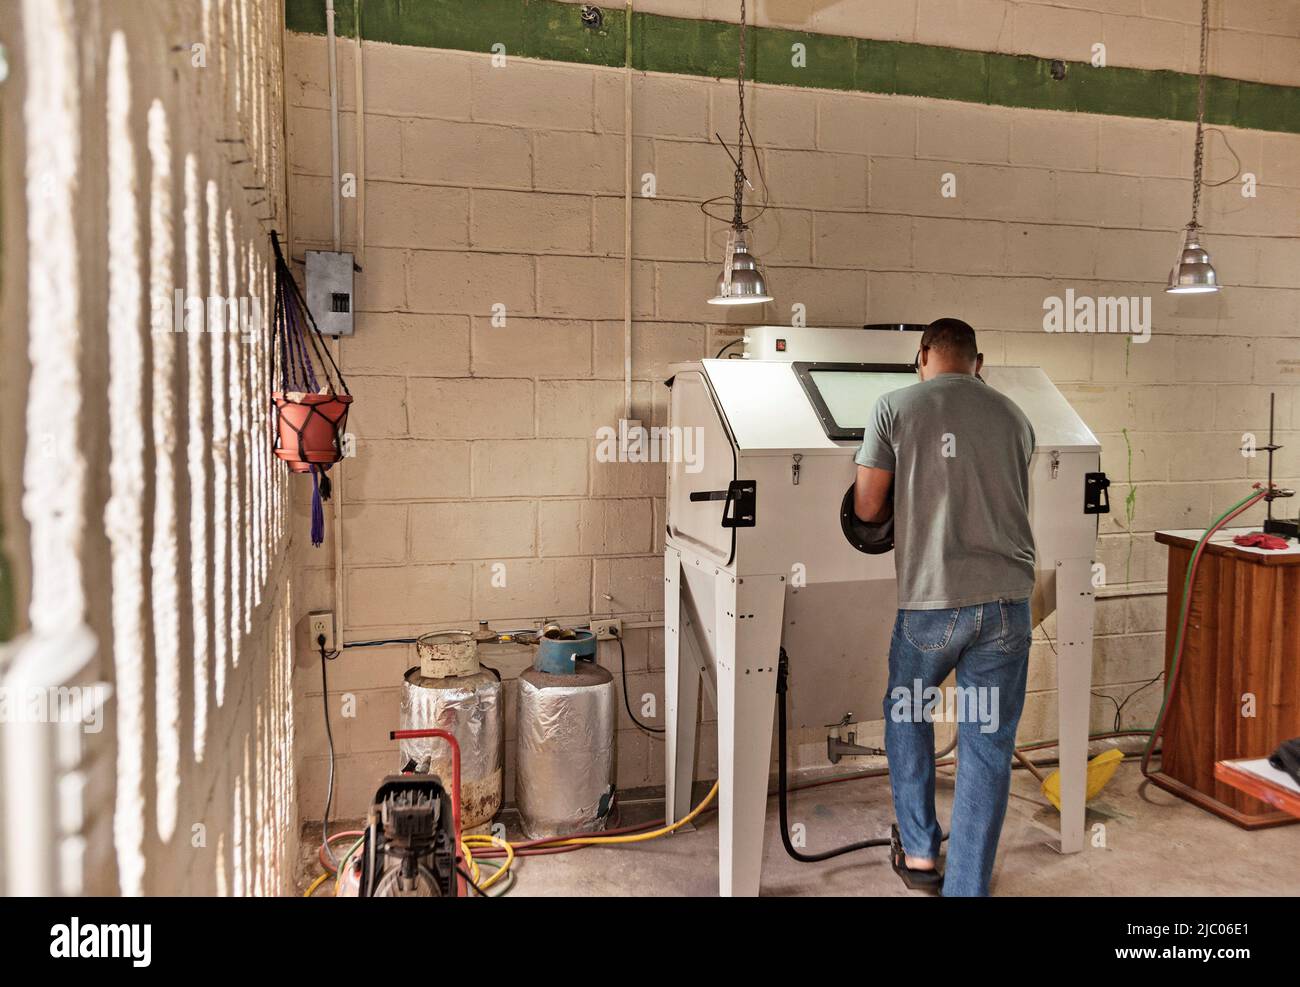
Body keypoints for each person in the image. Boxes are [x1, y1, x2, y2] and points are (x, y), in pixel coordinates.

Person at [852, 317, 1036, 897]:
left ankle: (922, 853)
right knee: (987, 744)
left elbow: (867, 506)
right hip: (1008, 603)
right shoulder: (1015, 416)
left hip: (933, 603)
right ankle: (967, 887)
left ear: (923, 354)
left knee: (907, 713)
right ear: (978, 363)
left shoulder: (894, 407)